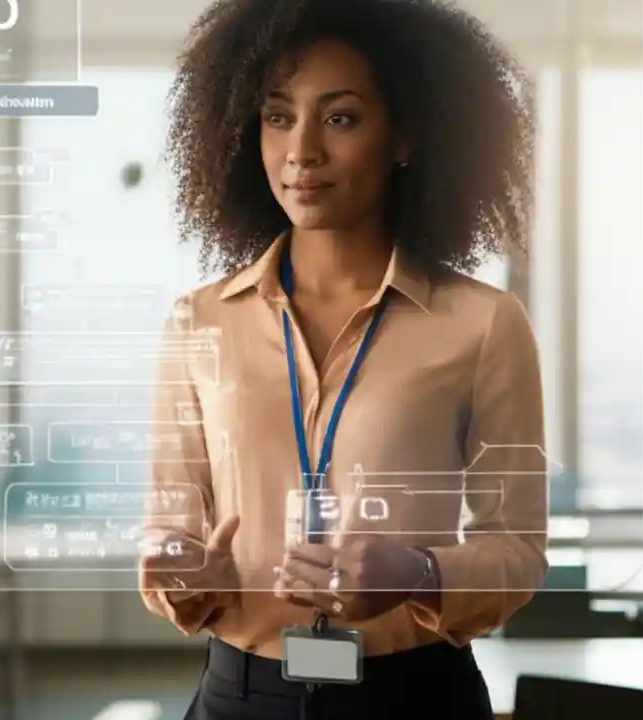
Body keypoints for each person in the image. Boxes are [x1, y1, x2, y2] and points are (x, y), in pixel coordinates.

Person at [137, 0, 549, 717]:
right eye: (277, 116)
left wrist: (421, 574)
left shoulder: (483, 325)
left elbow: (518, 549)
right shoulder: (196, 322)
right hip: (241, 692)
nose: (301, 151)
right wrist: (175, 567)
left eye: (340, 117)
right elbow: (170, 524)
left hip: (416, 696)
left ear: (406, 136)